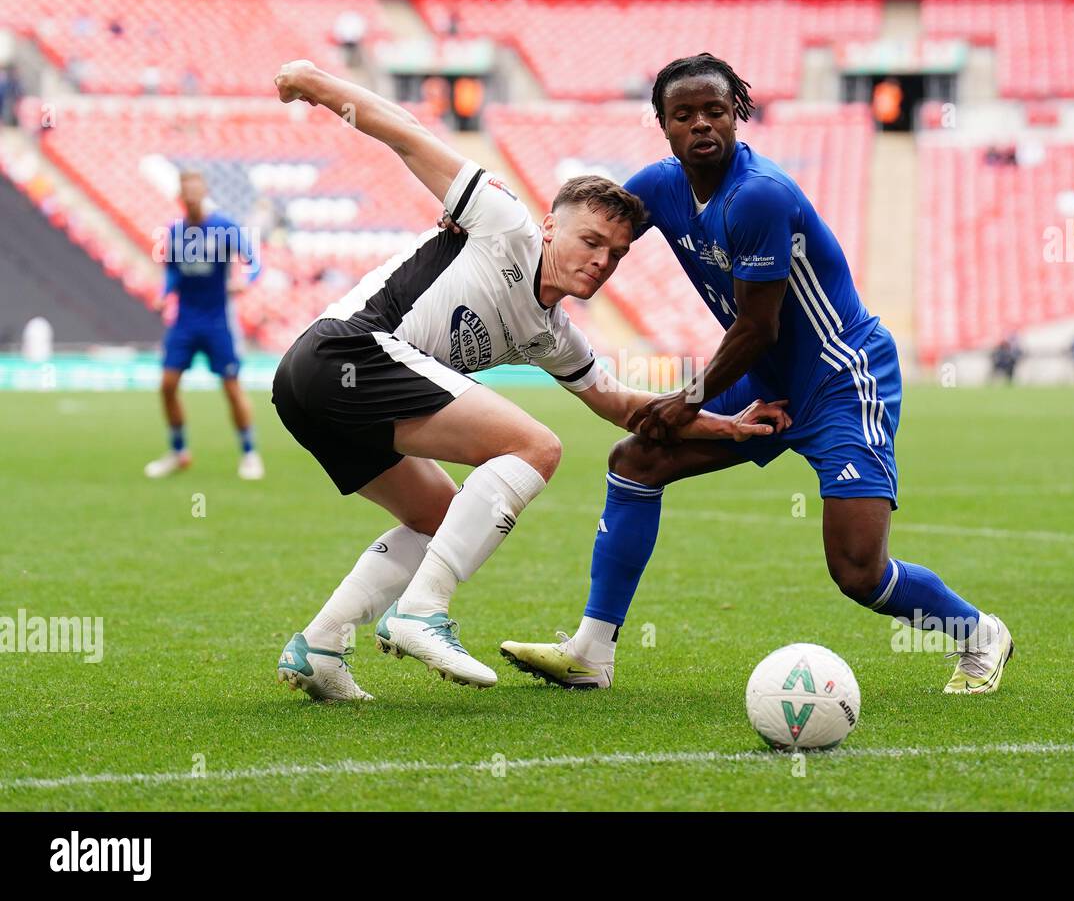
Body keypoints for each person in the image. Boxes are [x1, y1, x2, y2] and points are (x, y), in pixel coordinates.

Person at [268, 60, 788, 701]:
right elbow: (405, 133)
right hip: (341, 354)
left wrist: (723, 425)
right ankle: (422, 610)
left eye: (616, 255)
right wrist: (315, 84)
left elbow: (621, 405)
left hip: (319, 391)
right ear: (549, 226)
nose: (601, 262)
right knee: (536, 447)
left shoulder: (551, 334)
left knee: (437, 515)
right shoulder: (502, 222)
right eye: (590, 241)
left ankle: (321, 647)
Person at [501, 53, 1013, 693]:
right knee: (636, 460)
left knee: (858, 571)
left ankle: (978, 633)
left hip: (842, 379)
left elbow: (756, 327)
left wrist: (688, 401)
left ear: (738, 114)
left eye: (715, 110)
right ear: (662, 124)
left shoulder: (760, 196)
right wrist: (501, 246)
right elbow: (593, 224)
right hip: (765, 378)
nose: (701, 125)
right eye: (682, 114)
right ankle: (591, 653)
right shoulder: (659, 187)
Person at [145, 170, 264, 480]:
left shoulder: (223, 227)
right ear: (181, 197)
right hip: (184, 321)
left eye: (197, 190)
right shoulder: (174, 232)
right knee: (167, 386)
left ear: (204, 192)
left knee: (231, 386)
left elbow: (254, 261)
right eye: (187, 191)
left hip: (217, 321)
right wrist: (164, 294)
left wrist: (244, 282)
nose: (192, 196)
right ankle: (178, 450)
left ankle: (250, 453)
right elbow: (173, 272)